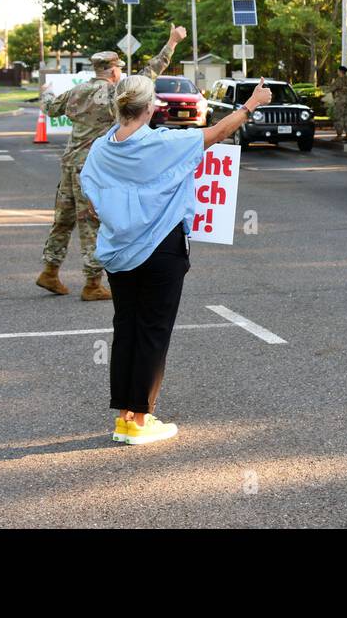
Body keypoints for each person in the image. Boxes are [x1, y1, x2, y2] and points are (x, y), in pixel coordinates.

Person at [79, 74, 272, 445]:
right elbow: (216, 133)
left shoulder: (101, 149)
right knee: (153, 331)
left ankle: (124, 416)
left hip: (119, 250)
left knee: (127, 329)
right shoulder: (163, 143)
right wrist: (251, 104)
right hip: (161, 249)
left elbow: (90, 194)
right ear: (150, 107)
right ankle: (140, 420)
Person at [36, 29, 187, 300]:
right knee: (91, 222)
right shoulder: (118, 92)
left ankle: (50, 269)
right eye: (119, 68)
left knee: (63, 219)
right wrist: (172, 42)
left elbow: (50, 108)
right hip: (93, 168)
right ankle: (92, 283)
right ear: (113, 70)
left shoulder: (77, 92)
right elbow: (150, 71)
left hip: (70, 163)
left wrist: (44, 92)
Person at [329, 64, 347, 141]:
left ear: (340, 71)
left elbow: (331, 89)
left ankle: (339, 135)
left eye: (338, 71)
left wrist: (332, 83)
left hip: (340, 101)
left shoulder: (338, 80)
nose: (337, 72)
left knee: (338, 117)